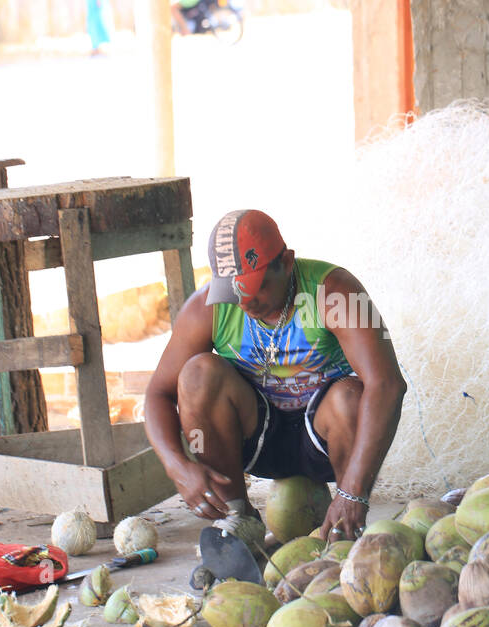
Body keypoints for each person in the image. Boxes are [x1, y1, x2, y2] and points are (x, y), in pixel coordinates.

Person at [144, 209, 407, 550]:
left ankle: (345, 527)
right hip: (256, 439)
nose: (246, 302)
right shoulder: (205, 308)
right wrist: (177, 465)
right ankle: (238, 520)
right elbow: (157, 394)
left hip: (327, 442)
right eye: (234, 292)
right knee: (197, 374)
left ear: (286, 261)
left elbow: (388, 384)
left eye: (257, 287)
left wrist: (353, 492)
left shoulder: (337, 291)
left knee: (351, 396)